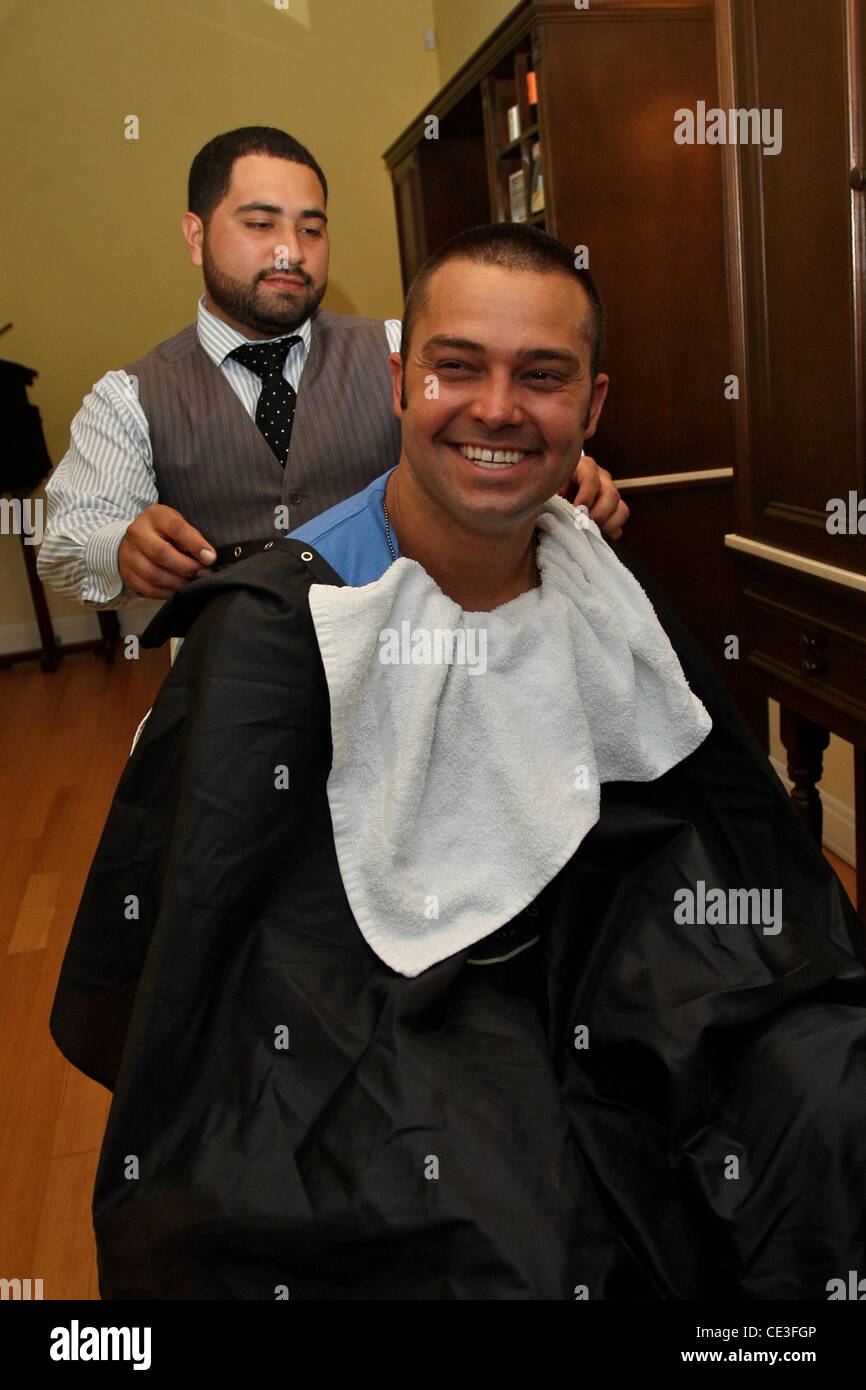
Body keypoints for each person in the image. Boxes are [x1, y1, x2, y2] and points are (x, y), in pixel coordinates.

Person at [51, 224, 866, 1301]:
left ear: (590, 406)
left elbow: (714, 841)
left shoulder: (599, 589)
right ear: (400, 380)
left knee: (834, 1106)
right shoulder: (276, 628)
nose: (495, 408)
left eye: (540, 376)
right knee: (505, 1233)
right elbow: (214, 959)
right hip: (379, 1023)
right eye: (457, 367)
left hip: (642, 981)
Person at [36, 126, 626, 611]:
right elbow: (64, 544)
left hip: (404, 658)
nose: (291, 250)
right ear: (195, 236)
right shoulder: (131, 397)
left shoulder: (400, 349)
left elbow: (495, 431)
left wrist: (568, 474)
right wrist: (119, 548)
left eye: (311, 228)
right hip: (238, 677)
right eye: (260, 224)